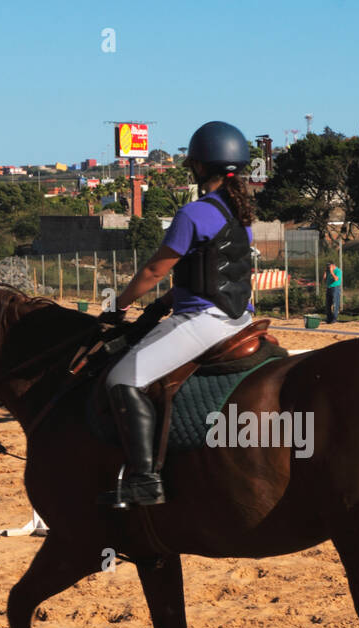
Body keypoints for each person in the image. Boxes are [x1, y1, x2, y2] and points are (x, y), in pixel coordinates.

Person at [103, 121, 256, 508]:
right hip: (242, 320)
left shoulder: (193, 213)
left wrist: (118, 305)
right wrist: (157, 308)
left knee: (122, 378)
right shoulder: (242, 216)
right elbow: (202, 274)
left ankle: (145, 479)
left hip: (206, 322)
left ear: (200, 167)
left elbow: (155, 271)